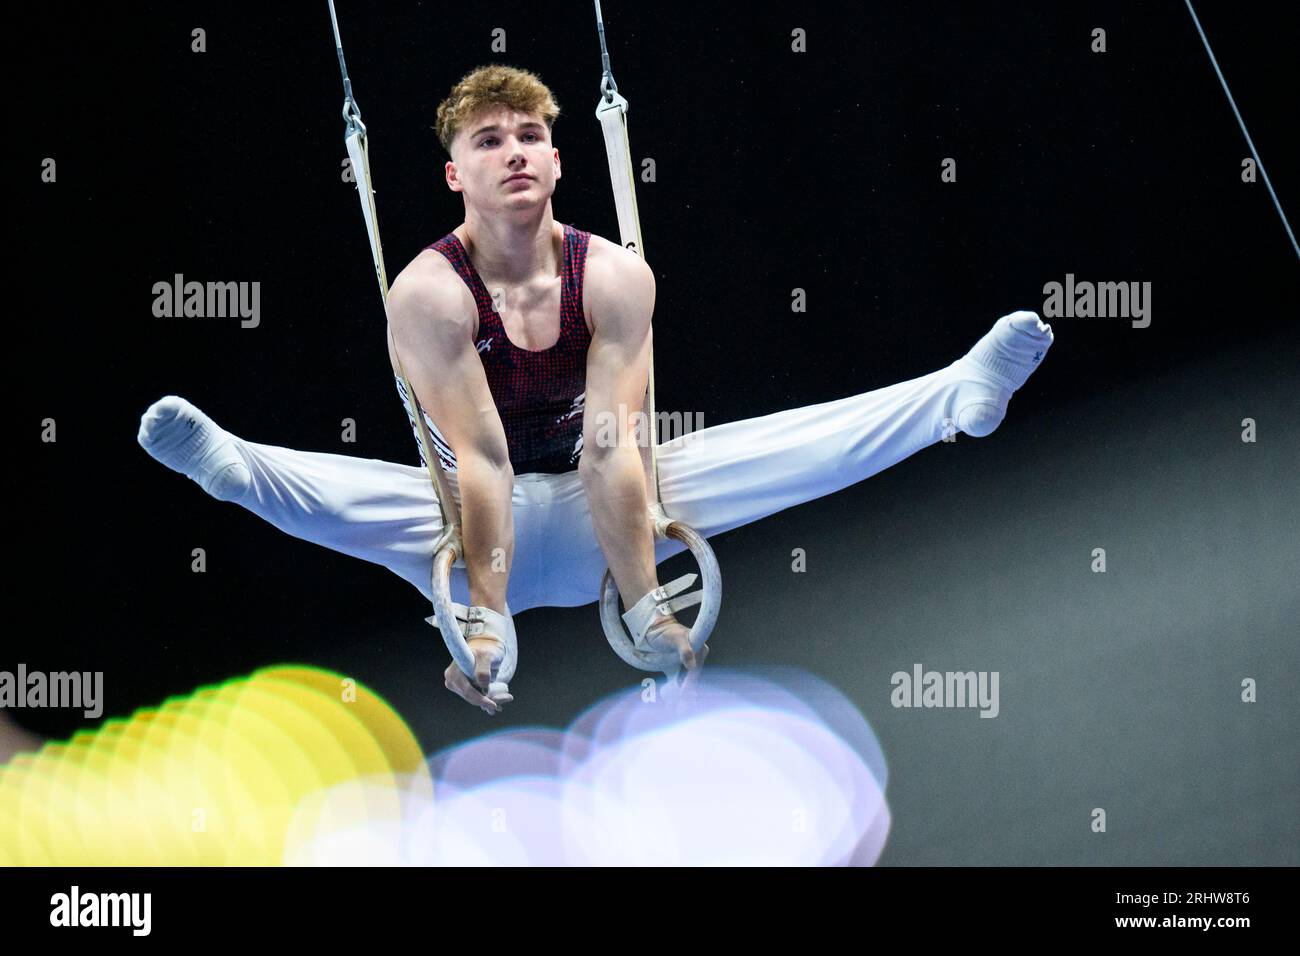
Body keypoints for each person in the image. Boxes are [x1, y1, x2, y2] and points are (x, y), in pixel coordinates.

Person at [138, 65, 1054, 716]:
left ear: (561, 159)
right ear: (455, 174)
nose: (516, 152)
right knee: (358, 494)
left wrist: (647, 599)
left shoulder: (613, 276)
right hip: (460, 519)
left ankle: (952, 399)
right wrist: (486, 619)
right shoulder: (426, 294)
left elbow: (613, 447)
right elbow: (486, 460)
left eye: (532, 135)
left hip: (604, 511)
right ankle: (236, 468)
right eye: (489, 140)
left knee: (746, 455)